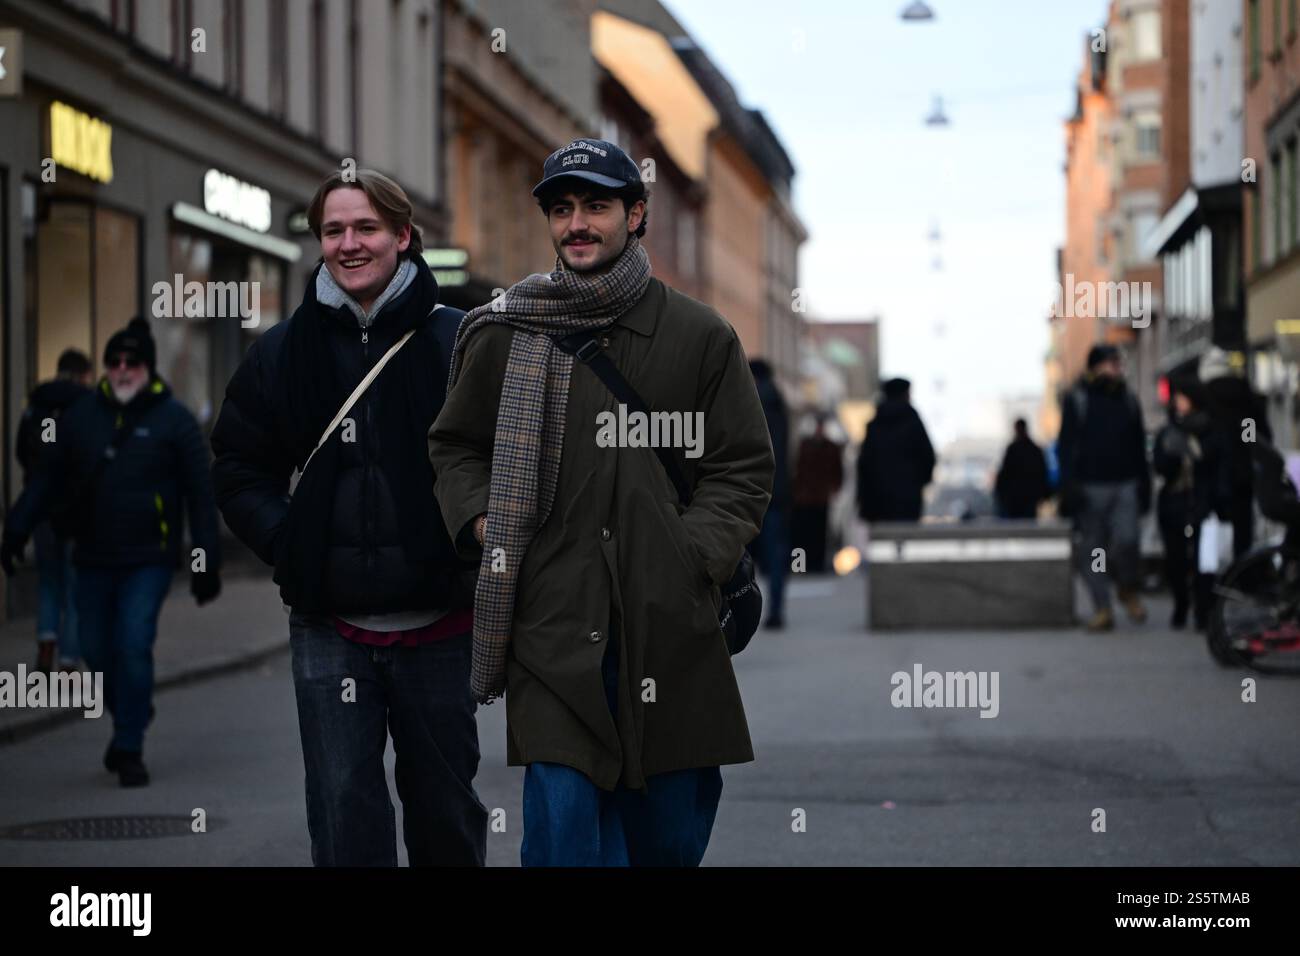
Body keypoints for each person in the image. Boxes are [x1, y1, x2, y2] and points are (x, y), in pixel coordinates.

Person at [428, 138, 774, 867]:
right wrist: (484, 519)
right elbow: (455, 444)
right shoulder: (510, 329)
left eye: (596, 206)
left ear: (636, 213)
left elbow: (740, 467)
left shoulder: (700, 336)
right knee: (564, 840)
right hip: (553, 623)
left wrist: (690, 557)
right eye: (562, 209)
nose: (576, 224)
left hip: (669, 627)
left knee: (668, 841)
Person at [209, 169, 486, 866]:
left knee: (446, 813)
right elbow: (238, 467)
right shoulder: (281, 351)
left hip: (441, 626)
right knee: (343, 812)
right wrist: (289, 542)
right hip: (329, 626)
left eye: (365, 228)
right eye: (333, 230)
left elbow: (506, 465)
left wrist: (473, 545)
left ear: (402, 236)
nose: (349, 243)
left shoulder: (461, 341)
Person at [1, 319, 222, 787]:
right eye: (114, 362)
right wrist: (15, 530)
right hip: (92, 557)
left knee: (133, 642)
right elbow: (46, 480)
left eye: (132, 362)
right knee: (96, 650)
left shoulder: (175, 420)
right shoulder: (81, 417)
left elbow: (200, 495)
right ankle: (133, 707)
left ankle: (128, 747)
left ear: (148, 367)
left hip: (150, 559)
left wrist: (206, 562)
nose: (122, 370)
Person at [1057, 344, 1151, 631]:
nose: (1117, 368)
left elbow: (1138, 446)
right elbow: (1066, 445)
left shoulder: (1128, 400)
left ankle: (1127, 587)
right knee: (1094, 551)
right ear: (1096, 366)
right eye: (1112, 363)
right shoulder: (1078, 399)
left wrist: (1144, 485)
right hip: (1090, 487)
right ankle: (1102, 607)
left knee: (1128, 540)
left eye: (1118, 364)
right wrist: (1070, 484)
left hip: (1125, 483)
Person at [14, 348, 94, 673]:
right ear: (82, 374)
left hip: (42, 509)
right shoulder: (88, 406)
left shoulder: (36, 405)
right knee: (75, 585)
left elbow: (21, 451)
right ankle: (68, 660)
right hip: (75, 509)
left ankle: (47, 644)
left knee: (48, 579)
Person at [1152, 376, 1224, 630]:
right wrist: (1174, 456)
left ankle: (1203, 610)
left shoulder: (1211, 430)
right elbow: (1160, 466)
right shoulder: (1169, 432)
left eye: (1182, 397)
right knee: (1176, 560)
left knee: (1204, 561)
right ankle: (1182, 603)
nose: (1177, 402)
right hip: (1174, 502)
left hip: (1202, 502)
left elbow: (1215, 465)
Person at [855, 377, 936, 523]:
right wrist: (918, 482)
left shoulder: (874, 425)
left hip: (878, 501)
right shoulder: (913, 423)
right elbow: (928, 457)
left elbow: (864, 464)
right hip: (907, 499)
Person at [749, 358, 791, 628]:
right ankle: (775, 609)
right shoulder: (779, 402)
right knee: (776, 553)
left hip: (753, 489)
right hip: (778, 490)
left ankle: (742, 611)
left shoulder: (752, 401)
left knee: (738, 552)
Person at [791, 413, 844, 573]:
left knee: (819, 535)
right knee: (804, 534)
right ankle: (800, 566)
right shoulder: (806, 445)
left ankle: (816, 565)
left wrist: (833, 488)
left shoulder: (830, 447)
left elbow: (837, 472)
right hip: (805, 498)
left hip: (820, 498)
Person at [994, 418, 1049, 519]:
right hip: (1026, 496)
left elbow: (1005, 473)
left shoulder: (1014, 450)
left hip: (1019, 497)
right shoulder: (1034, 450)